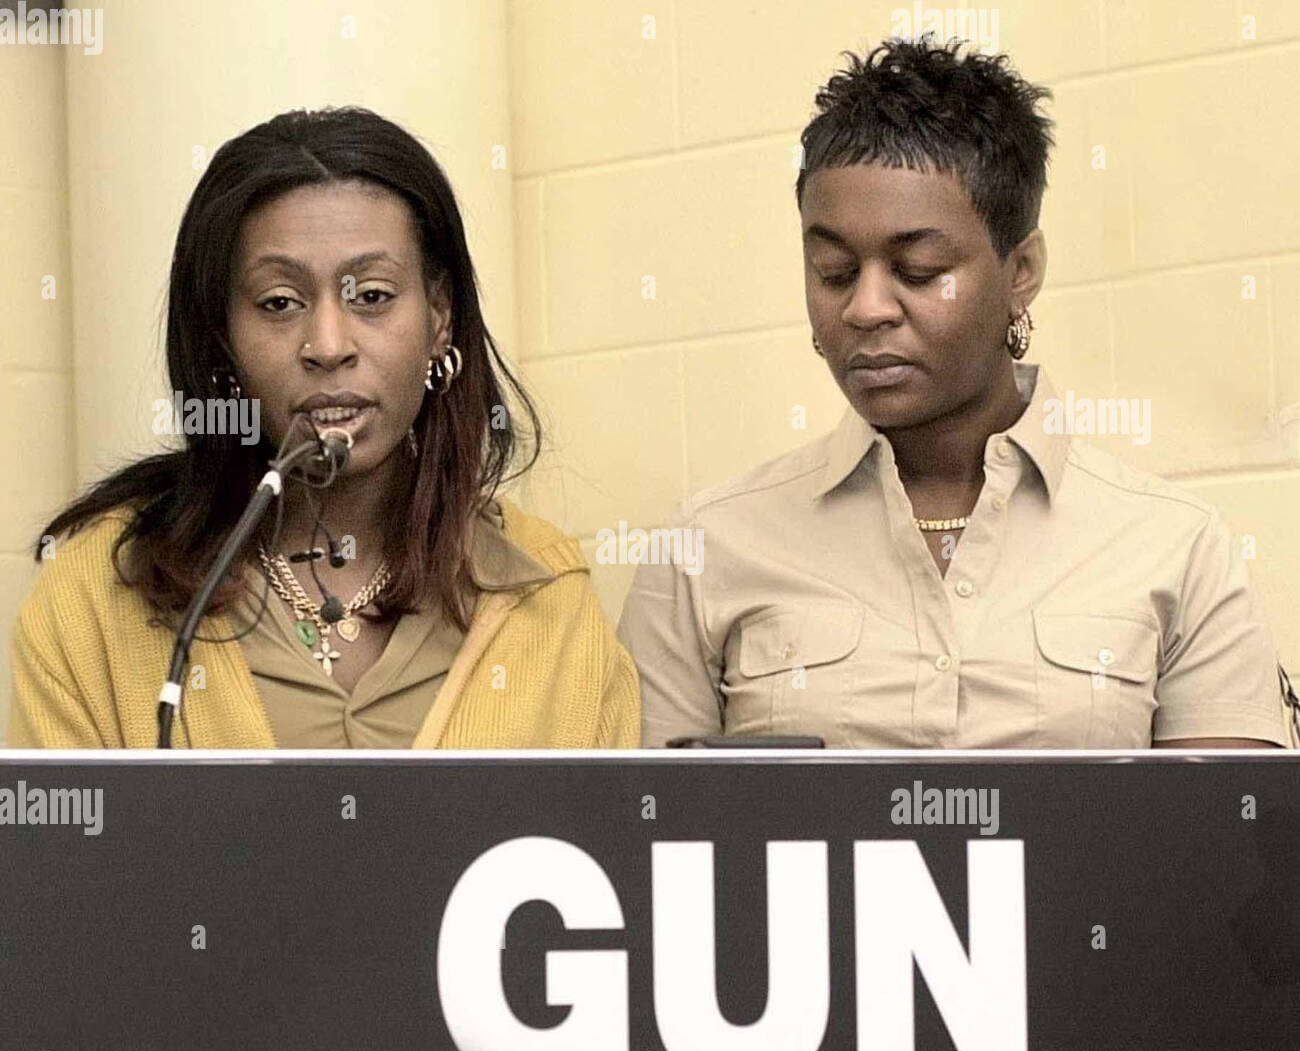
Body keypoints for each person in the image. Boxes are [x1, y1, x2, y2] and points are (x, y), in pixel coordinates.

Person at [617, 37, 1294, 750]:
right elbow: (648, 841)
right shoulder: (702, 551)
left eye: (918, 267)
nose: (866, 307)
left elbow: (1228, 847)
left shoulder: (1176, 547)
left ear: (1021, 270)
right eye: (834, 270)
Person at [10, 107, 638, 749]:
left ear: (440, 317)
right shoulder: (95, 592)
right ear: (221, 336)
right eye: (280, 303)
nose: (328, 345)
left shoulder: (550, 597)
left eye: (372, 295)